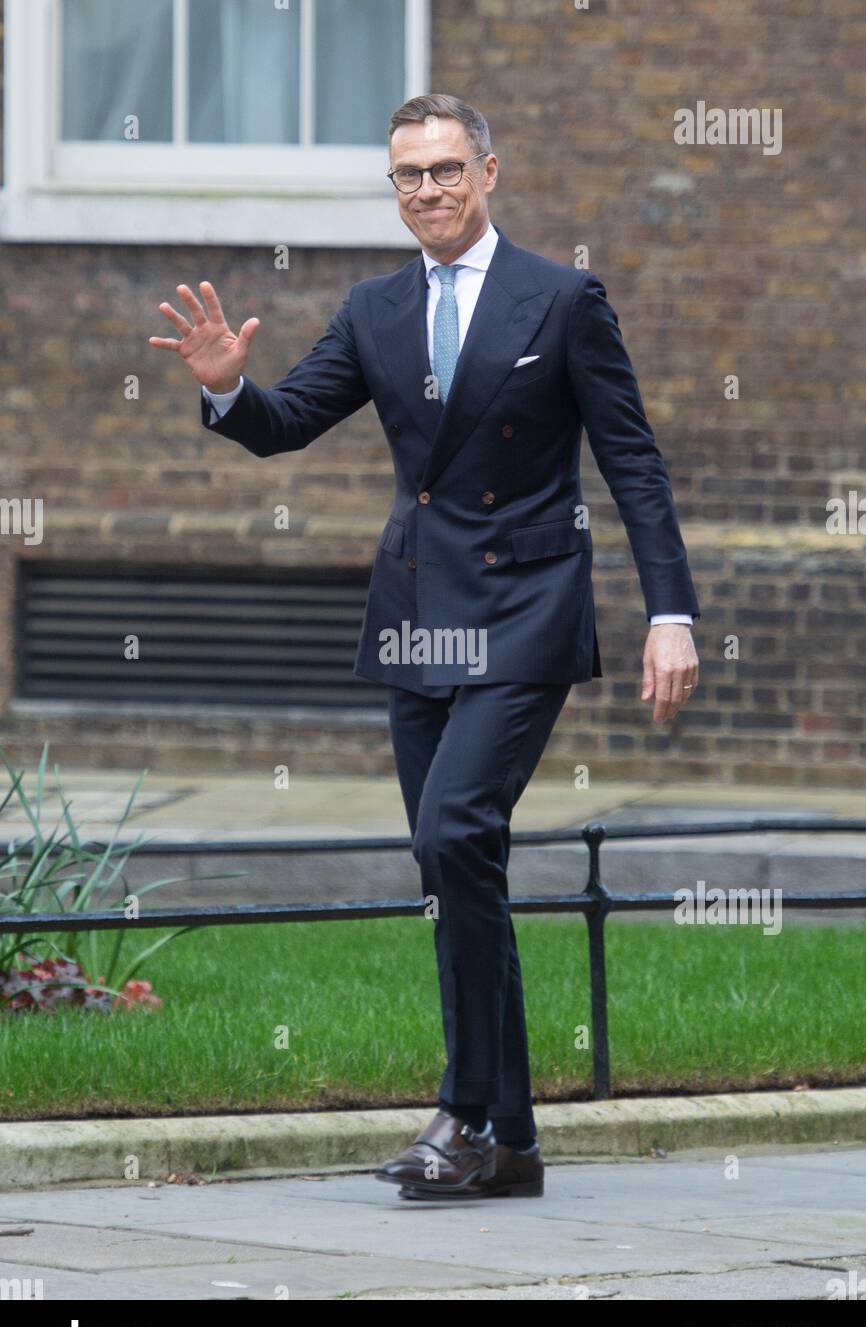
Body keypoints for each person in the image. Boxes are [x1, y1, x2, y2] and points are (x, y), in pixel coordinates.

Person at [149, 93, 700, 1201]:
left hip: (527, 610)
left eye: (447, 170)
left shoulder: (561, 296)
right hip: (415, 615)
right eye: (408, 175)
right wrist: (224, 391)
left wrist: (669, 611)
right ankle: (513, 1143)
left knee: (453, 827)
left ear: (488, 172)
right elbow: (290, 419)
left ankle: (459, 1109)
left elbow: (629, 460)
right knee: (459, 865)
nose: (429, 192)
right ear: (392, 188)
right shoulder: (375, 308)